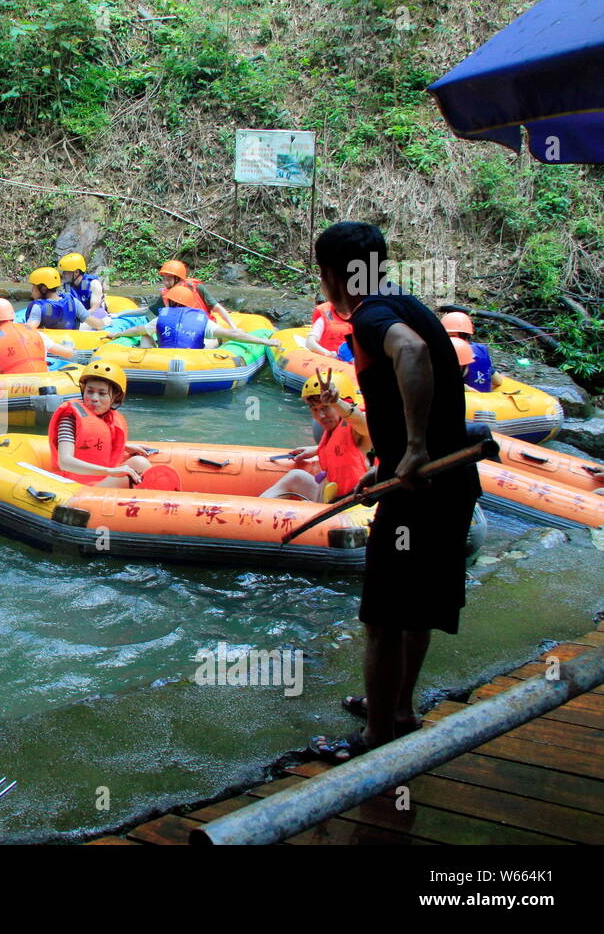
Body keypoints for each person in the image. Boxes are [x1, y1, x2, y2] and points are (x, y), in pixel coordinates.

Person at [307, 221, 481, 764]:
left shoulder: (375, 317)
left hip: (421, 488)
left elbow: (412, 355)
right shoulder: (405, 302)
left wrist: (413, 447)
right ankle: (398, 709)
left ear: (332, 275)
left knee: (382, 617)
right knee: (416, 607)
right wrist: (386, 462)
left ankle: (377, 738)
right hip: (446, 484)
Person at [261, 369, 371, 501]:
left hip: (354, 506)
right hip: (333, 500)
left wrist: (336, 402)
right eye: (315, 409)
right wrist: (316, 449)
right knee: (296, 477)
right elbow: (340, 449)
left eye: (325, 408)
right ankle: (253, 513)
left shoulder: (358, 426)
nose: (321, 416)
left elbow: (362, 423)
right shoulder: (332, 430)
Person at [48, 360, 152, 487]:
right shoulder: (70, 419)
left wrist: (125, 446)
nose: (94, 398)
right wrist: (110, 471)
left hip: (100, 480)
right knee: (139, 463)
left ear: (116, 397)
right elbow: (65, 462)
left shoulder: (109, 419)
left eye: (102, 393)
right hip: (76, 486)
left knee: (139, 463)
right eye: (90, 391)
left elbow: (94, 444)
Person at [103, 304, 280, 351]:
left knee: (145, 336)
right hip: (193, 359)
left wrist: (115, 335)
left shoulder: (160, 319)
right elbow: (233, 334)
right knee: (215, 339)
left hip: (160, 359)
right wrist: (265, 342)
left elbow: (136, 330)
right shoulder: (200, 320)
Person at [0, 297, 74, 375]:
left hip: (12, 388)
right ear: (12, 317)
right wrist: (69, 346)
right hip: (42, 381)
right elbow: (68, 353)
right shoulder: (36, 333)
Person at [158, 259, 236, 328]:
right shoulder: (165, 294)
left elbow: (218, 308)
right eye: (164, 278)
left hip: (206, 327)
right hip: (183, 330)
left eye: (168, 279)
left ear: (178, 279)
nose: (165, 282)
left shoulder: (196, 287)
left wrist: (234, 328)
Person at [24, 267, 105, 331]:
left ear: (43, 288)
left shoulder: (38, 307)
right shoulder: (73, 302)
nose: (31, 290)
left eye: (34, 287)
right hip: (71, 344)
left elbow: (29, 330)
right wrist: (104, 323)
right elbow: (98, 325)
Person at [442, 311, 503, 392]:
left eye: (451, 336)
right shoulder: (481, 349)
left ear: (463, 335)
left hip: (470, 400)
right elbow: (498, 381)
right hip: (486, 399)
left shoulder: (454, 350)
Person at [59, 252, 110, 323]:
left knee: (99, 312)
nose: (63, 274)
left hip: (94, 315)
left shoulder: (94, 284)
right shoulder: (67, 285)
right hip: (81, 314)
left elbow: (94, 309)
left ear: (76, 272)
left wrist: (77, 318)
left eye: (65, 272)